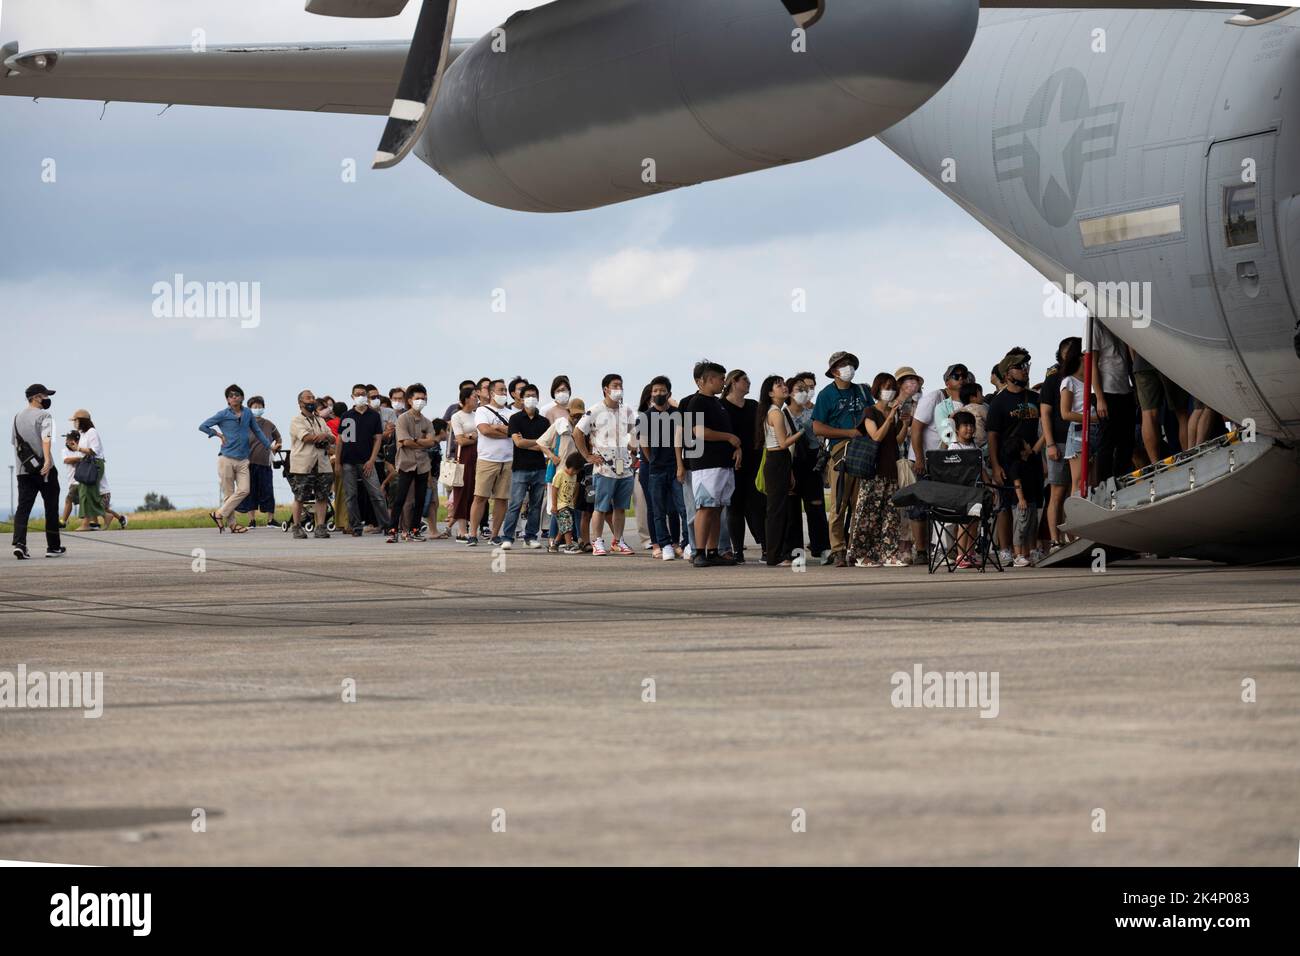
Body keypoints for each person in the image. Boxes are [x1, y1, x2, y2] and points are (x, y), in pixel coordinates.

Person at [812, 350, 874, 568]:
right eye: (843, 364)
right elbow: (817, 426)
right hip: (841, 451)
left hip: (864, 450)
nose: (848, 368)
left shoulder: (863, 392)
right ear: (834, 371)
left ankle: (857, 548)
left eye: (850, 364)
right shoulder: (825, 395)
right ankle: (838, 549)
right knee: (839, 503)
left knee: (861, 503)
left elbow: (872, 415)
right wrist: (847, 433)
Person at [987, 348, 1044, 568]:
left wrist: (1037, 452)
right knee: (1007, 506)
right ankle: (1006, 549)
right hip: (1008, 461)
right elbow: (993, 436)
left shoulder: (1036, 398)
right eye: (1019, 367)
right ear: (1007, 372)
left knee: (1031, 506)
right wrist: (995, 464)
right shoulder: (999, 403)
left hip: (1032, 460)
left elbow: (1045, 427)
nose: (1025, 370)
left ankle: (1030, 550)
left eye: (1026, 366)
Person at [681, 360, 740, 568]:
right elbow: (699, 432)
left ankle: (713, 550)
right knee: (705, 507)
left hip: (722, 463)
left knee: (717, 508)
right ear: (704, 380)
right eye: (720, 378)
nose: (723, 382)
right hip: (706, 464)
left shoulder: (718, 403)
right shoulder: (697, 402)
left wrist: (735, 446)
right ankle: (698, 551)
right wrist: (728, 437)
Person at [574, 374, 640, 556]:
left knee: (620, 507)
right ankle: (597, 541)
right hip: (604, 465)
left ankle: (618, 541)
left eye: (621, 385)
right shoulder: (595, 410)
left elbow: (634, 433)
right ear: (606, 389)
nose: (618, 389)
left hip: (623, 464)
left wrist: (634, 451)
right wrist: (587, 455)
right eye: (615, 385)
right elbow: (578, 432)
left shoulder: (626, 410)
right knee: (601, 506)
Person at [846, 373, 907, 568]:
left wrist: (904, 422)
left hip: (890, 469)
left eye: (892, 387)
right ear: (877, 389)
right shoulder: (870, 412)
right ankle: (861, 554)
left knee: (891, 515)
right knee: (868, 515)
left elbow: (895, 440)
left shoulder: (893, 413)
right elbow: (876, 437)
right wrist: (890, 417)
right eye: (885, 387)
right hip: (873, 471)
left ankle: (889, 553)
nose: (889, 391)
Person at [199, 384, 271, 533]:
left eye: (237, 395)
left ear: (242, 397)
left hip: (244, 459)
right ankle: (233, 525)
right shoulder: (223, 414)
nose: (234, 397)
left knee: (245, 490)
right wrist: (217, 434)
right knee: (229, 493)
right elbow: (203, 426)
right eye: (231, 396)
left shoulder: (248, 414)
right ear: (227, 400)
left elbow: (257, 431)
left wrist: (269, 446)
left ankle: (218, 514)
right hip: (226, 458)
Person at [11, 384, 64, 559]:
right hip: (44, 469)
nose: (47, 399)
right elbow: (46, 438)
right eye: (44, 396)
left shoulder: (16, 417)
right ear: (35, 397)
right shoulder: (45, 415)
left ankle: (20, 544)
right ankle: (53, 547)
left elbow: (15, 444)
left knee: (23, 508)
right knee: (51, 507)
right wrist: (47, 460)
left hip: (23, 470)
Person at [758, 375, 805, 567]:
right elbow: (784, 442)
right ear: (770, 393)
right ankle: (774, 555)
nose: (784, 387)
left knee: (779, 510)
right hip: (777, 459)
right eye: (779, 385)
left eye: (784, 384)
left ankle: (776, 553)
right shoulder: (775, 412)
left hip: (780, 461)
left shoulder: (773, 411)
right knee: (776, 511)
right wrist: (802, 431)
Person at [784, 372, 830, 563]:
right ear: (789, 392)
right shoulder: (781, 413)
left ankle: (822, 548)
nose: (804, 392)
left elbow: (819, 438)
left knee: (816, 507)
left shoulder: (813, 413)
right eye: (799, 389)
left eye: (807, 389)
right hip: (791, 463)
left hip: (811, 462)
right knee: (792, 510)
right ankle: (796, 553)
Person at [721, 369, 765, 563]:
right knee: (735, 508)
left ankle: (766, 546)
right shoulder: (720, 406)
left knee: (758, 506)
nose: (748, 383)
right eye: (745, 380)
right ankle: (737, 551)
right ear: (733, 382)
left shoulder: (754, 406)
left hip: (755, 461)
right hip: (732, 462)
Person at [1040, 338, 1079, 550]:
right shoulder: (1053, 380)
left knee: (1078, 491)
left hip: (1079, 440)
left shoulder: (1082, 378)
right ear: (1063, 354)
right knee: (1057, 492)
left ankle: (1074, 535)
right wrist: (1050, 443)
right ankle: (1055, 539)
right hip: (1060, 442)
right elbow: (1044, 413)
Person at [500, 384, 550, 549]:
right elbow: (518, 442)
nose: (531, 398)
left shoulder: (544, 421)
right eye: (527, 395)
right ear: (521, 398)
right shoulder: (515, 419)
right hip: (520, 468)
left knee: (536, 505)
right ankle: (507, 537)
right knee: (515, 504)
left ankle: (530, 536)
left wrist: (530, 442)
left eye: (534, 395)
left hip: (539, 467)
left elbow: (547, 445)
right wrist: (538, 443)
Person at [643, 376, 687, 561]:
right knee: (658, 510)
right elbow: (644, 444)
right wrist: (652, 460)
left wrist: (680, 466)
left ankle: (687, 544)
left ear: (669, 393)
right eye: (655, 391)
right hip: (656, 470)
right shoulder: (646, 417)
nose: (658, 394)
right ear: (651, 394)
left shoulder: (678, 414)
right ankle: (665, 544)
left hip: (676, 468)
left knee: (682, 508)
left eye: (662, 391)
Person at [338, 384, 391, 537]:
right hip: (348, 461)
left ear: (367, 396)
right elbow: (340, 440)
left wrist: (372, 460)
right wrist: (338, 463)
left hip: (367, 461)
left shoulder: (374, 416)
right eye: (357, 394)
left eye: (363, 394)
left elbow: (378, 439)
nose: (360, 396)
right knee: (351, 495)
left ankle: (386, 524)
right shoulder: (346, 416)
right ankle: (356, 527)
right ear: (352, 396)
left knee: (376, 494)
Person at [387, 383, 437, 543]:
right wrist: (421, 441)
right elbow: (405, 442)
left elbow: (432, 442)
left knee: (420, 498)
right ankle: (394, 530)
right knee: (400, 497)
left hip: (423, 464)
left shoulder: (427, 422)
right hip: (406, 463)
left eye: (423, 398)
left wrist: (416, 441)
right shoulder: (402, 419)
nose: (421, 401)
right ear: (409, 400)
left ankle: (415, 529)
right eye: (418, 398)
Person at [469, 379, 514, 547]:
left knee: (502, 499)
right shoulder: (482, 410)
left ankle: (495, 534)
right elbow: (485, 430)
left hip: (507, 461)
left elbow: (515, 432)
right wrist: (505, 430)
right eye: (500, 390)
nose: (503, 394)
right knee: (480, 497)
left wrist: (498, 429)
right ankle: (472, 534)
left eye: (505, 391)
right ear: (492, 393)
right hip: (487, 460)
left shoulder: (511, 413)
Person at [1091, 322, 1136, 483]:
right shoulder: (1094, 323)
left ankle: (1121, 479)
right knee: (1107, 443)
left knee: (1127, 441)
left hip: (1126, 389)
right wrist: (1100, 398)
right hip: (1107, 391)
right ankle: (1104, 483)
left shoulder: (1118, 319)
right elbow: (1092, 364)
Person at [66, 409, 126, 532]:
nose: (74, 423)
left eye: (75, 420)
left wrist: (78, 448)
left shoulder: (92, 432)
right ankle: (104, 516)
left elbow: (94, 450)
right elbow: (83, 450)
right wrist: (75, 448)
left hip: (93, 464)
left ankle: (86, 523)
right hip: (86, 463)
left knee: (88, 492)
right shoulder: (83, 434)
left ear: (82, 421)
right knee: (85, 492)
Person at [287, 389, 334, 540]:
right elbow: (306, 437)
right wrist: (321, 437)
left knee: (322, 496)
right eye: (308, 398)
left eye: (313, 398)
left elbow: (331, 437)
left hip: (322, 463)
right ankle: (296, 526)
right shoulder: (296, 420)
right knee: (300, 496)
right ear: (300, 403)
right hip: (304, 465)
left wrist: (324, 436)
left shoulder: (320, 420)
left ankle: (320, 526)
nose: (312, 400)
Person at [234, 395, 281, 529]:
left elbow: (278, 438)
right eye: (255, 407)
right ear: (249, 409)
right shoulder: (244, 424)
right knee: (250, 492)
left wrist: (278, 446)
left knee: (268, 491)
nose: (258, 409)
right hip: (248, 464)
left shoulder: (269, 424)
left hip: (265, 464)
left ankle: (271, 520)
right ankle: (251, 521)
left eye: (260, 406)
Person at [913, 363, 967, 464]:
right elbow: (916, 428)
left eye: (964, 376)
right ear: (947, 382)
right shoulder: (934, 398)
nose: (961, 379)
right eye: (956, 376)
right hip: (924, 460)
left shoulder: (965, 402)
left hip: (947, 460)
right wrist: (919, 459)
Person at [447, 385, 480, 542]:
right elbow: (460, 440)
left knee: (475, 491)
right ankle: (461, 530)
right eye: (474, 396)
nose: (476, 398)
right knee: (462, 491)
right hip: (464, 456)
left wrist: (472, 436)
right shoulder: (457, 416)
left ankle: (471, 527)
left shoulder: (478, 414)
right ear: (466, 399)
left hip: (479, 454)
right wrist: (473, 437)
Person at [552, 451, 585, 554]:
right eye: (574, 470)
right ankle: (568, 545)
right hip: (560, 505)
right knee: (567, 524)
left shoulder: (574, 476)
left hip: (569, 504)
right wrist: (554, 505)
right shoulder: (560, 474)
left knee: (564, 526)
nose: (575, 473)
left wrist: (573, 502)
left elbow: (574, 490)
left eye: (577, 471)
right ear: (569, 465)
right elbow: (554, 489)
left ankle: (555, 544)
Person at [59, 431, 82, 529]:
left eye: (68, 439)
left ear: (75, 441)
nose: (66, 441)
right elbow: (66, 460)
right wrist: (80, 459)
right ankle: (117, 517)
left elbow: (83, 457)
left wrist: (79, 458)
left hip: (77, 482)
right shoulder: (64, 450)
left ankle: (63, 521)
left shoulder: (81, 450)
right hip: (72, 482)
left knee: (68, 500)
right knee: (89, 503)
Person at [957, 382, 987, 449]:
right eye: (981, 394)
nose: (983, 396)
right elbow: (991, 421)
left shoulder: (961, 410)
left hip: (967, 444)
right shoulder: (981, 408)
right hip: (983, 444)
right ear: (972, 398)